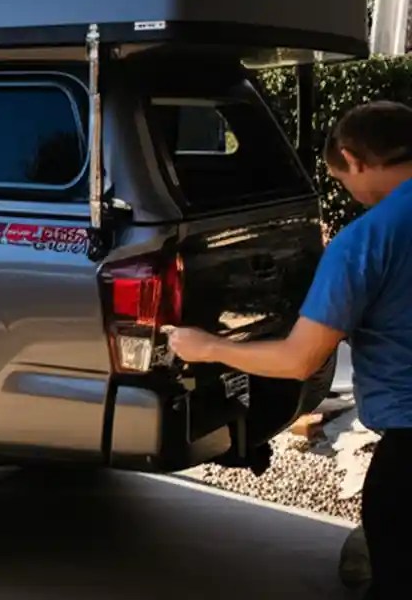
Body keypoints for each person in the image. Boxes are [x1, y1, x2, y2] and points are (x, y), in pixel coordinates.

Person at [167, 100, 412, 600]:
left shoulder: (367, 241)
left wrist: (208, 347)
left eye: (344, 181)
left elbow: (299, 359)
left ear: (354, 157)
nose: (354, 195)